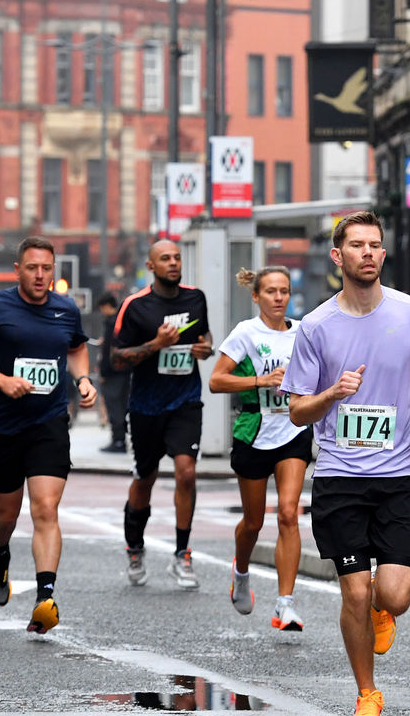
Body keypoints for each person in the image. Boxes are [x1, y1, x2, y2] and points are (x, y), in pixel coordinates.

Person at [281, 211, 410, 716]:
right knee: (354, 591)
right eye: (357, 246)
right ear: (338, 257)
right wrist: (332, 394)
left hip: (400, 471)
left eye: (376, 245)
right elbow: (297, 411)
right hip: (340, 475)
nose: (369, 253)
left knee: (393, 596)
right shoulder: (317, 326)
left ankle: (382, 608)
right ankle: (366, 695)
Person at [0, 236, 97, 634]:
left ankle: (45, 598)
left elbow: (77, 348)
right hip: (2, 425)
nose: (41, 275)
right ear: (18, 270)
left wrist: (82, 380)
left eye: (47, 268)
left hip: (48, 423)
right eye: (33, 268)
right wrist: (1, 380)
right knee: (6, 514)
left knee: (45, 508)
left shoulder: (65, 309)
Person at [209, 265, 313, 630]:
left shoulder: (302, 332)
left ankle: (285, 605)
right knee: (253, 522)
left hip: (293, 429)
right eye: (270, 291)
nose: (279, 297)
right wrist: (260, 380)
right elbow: (216, 381)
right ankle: (241, 570)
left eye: (284, 290)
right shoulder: (245, 333)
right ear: (256, 296)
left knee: (288, 513)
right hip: (254, 432)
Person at [111, 239, 212, 589]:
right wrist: (156, 345)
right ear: (151, 266)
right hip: (145, 407)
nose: (173, 263)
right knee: (145, 480)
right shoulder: (135, 306)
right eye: (165, 258)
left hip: (185, 399)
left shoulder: (195, 298)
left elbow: (205, 336)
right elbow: (115, 358)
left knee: (186, 473)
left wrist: (205, 347)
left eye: (177, 257)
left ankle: (182, 553)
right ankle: (135, 547)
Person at [96, 291, 129, 453]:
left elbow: (109, 349)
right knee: (121, 405)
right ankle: (120, 439)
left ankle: (118, 441)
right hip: (125, 370)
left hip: (112, 372)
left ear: (106, 306)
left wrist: (103, 371)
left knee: (114, 405)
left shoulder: (111, 323)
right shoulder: (124, 320)